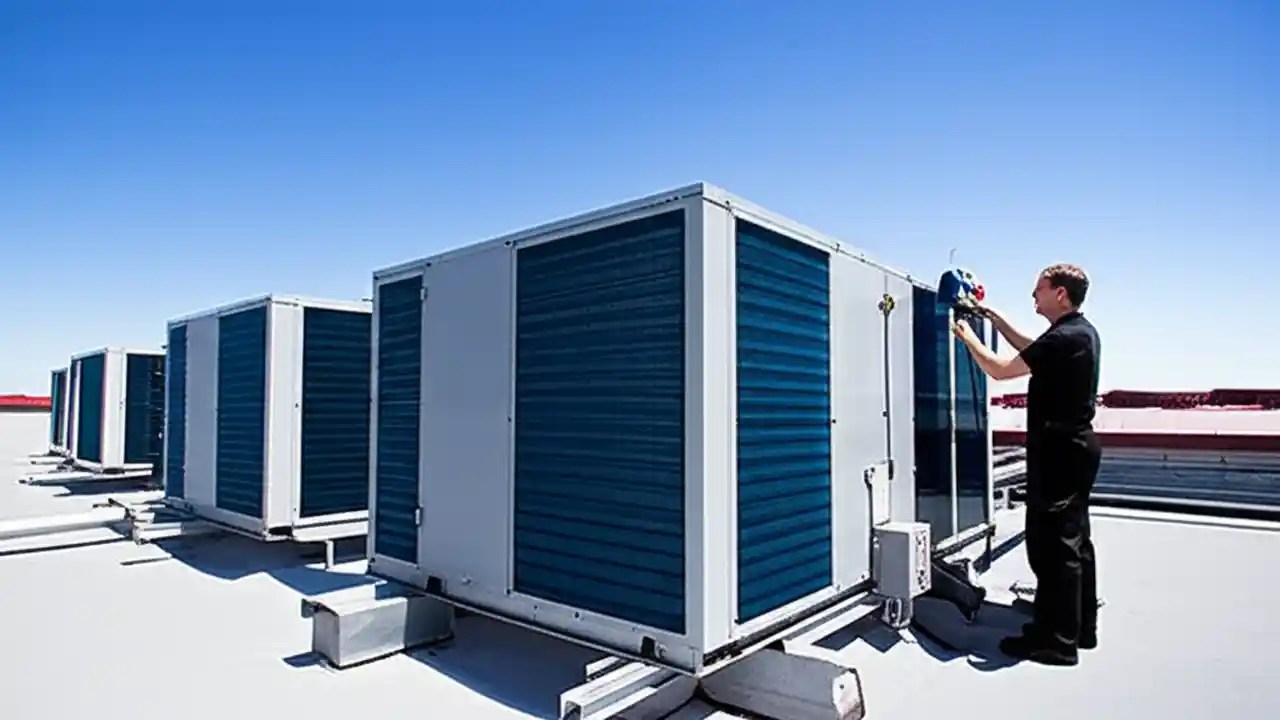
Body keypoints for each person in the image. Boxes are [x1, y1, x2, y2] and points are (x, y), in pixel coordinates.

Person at [951, 263, 1102, 667]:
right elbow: (1029, 349)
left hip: (1060, 453)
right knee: (1074, 541)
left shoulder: (1065, 338)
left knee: (1052, 547)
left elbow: (1001, 370)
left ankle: (1055, 642)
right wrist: (994, 318)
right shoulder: (1075, 333)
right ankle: (1080, 629)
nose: (1033, 296)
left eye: (1039, 289)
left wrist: (965, 336)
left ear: (1061, 295)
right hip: (1074, 450)